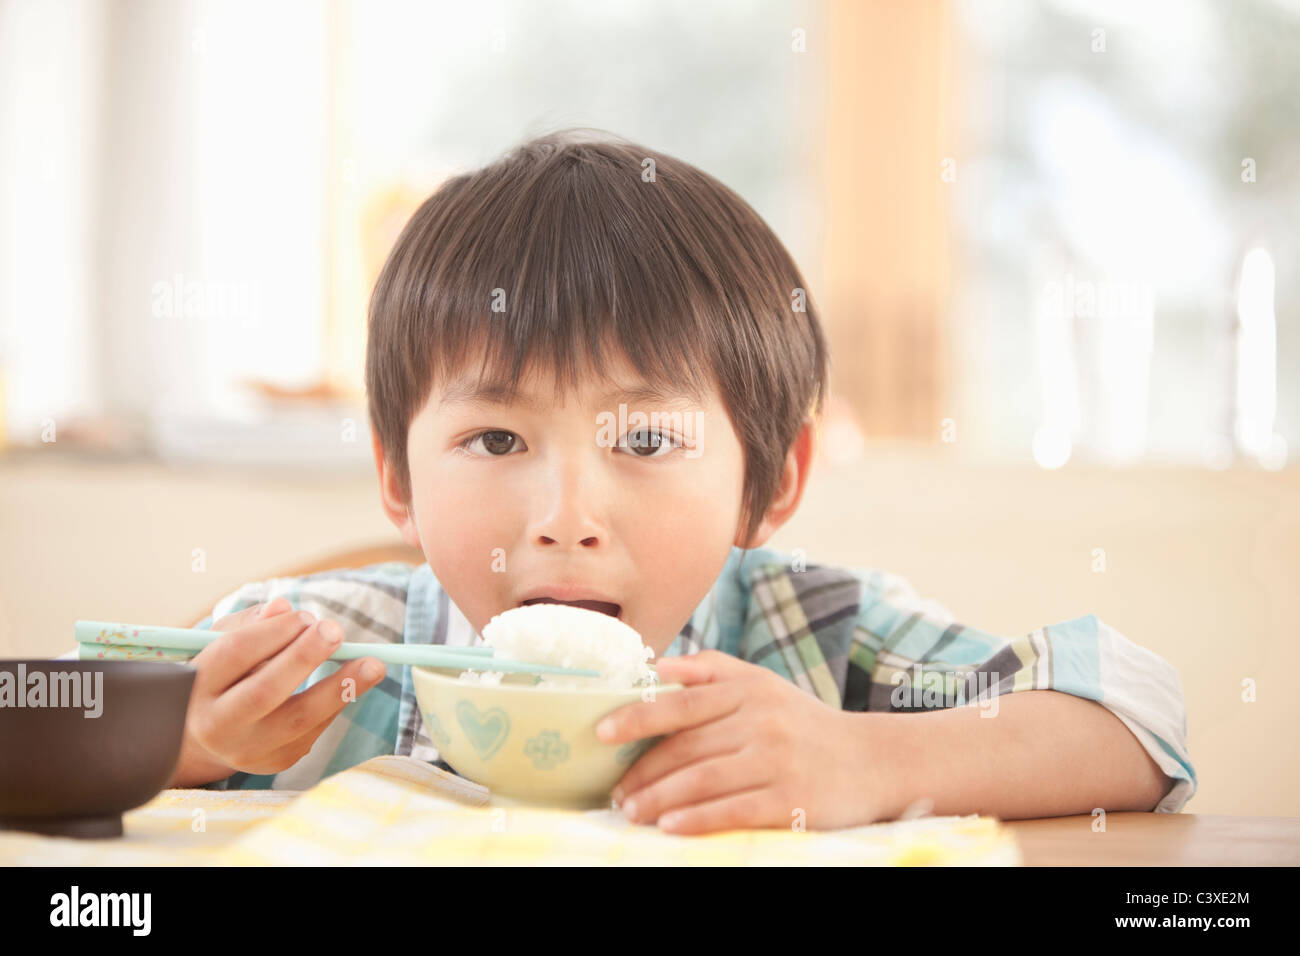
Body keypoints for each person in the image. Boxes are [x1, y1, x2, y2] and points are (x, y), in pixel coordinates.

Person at [170, 129, 1195, 834]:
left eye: (648, 442)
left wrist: (865, 760)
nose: (565, 521)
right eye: (493, 439)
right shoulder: (324, 653)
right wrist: (180, 742)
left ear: (773, 478)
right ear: (395, 473)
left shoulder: (821, 638)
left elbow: (1137, 714)